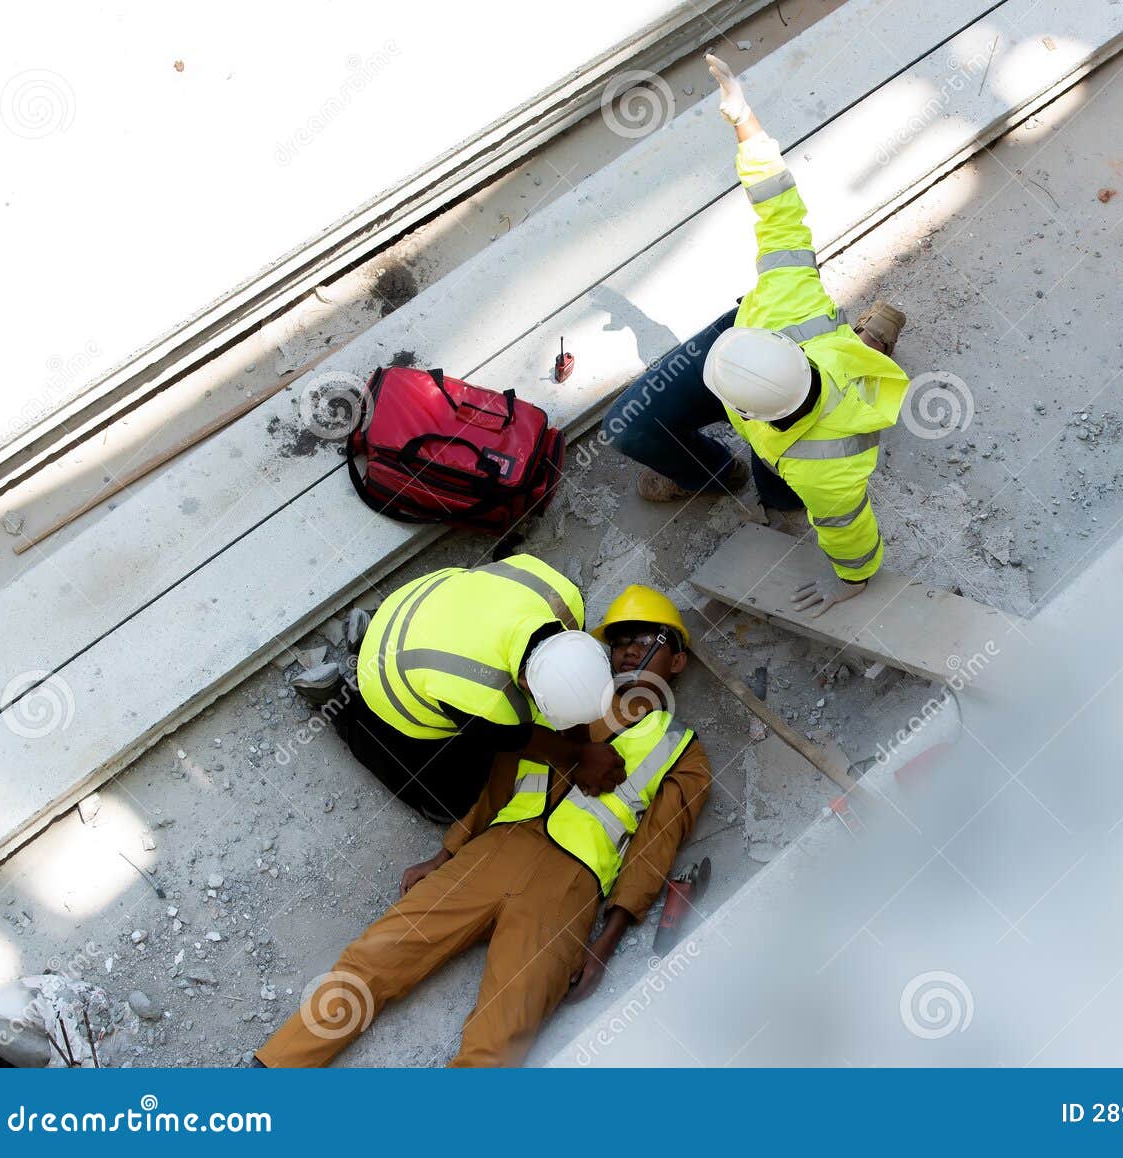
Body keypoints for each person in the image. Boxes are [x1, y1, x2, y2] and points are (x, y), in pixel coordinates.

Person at [256, 584, 711, 1067]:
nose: (632, 647)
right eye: (621, 640)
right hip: (495, 851)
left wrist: (605, 941)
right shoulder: (557, 698)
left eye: (650, 638)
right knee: (376, 956)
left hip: (567, 887)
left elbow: (655, 849)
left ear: (678, 662)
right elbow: (501, 781)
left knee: (502, 1033)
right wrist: (447, 853)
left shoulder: (683, 750)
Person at [601, 52, 910, 618]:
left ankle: (867, 349)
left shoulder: (829, 464)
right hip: (745, 348)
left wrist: (854, 580)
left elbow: (846, 524)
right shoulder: (787, 301)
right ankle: (718, 474)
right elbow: (779, 207)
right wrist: (746, 122)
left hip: (788, 425)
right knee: (626, 426)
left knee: (784, 498)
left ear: (748, 413)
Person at [292, 552, 624, 824]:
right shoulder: (484, 696)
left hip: (414, 605)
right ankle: (338, 699)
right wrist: (579, 755)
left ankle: (369, 632)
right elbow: (528, 740)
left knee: (430, 643)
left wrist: (583, 744)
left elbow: (569, 676)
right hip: (391, 671)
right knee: (448, 801)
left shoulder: (563, 598)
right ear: (524, 683)